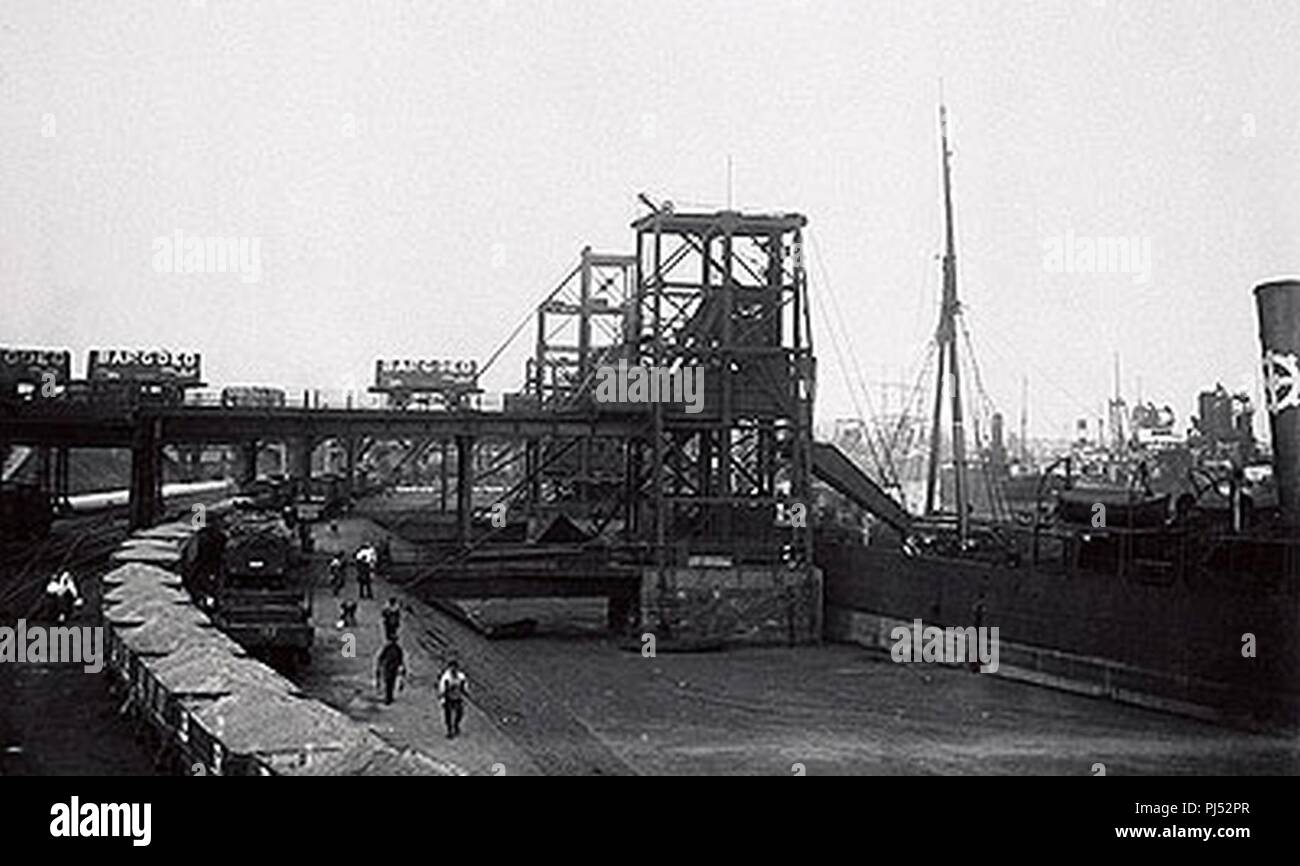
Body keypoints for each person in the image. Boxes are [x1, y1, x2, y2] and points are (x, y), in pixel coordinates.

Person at [437, 658, 468, 738]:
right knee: (448, 715)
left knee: (460, 713)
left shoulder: (461, 677)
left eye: (455, 668)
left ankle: (456, 725)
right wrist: (442, 698)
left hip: (457, 697)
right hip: (448, 698)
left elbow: (464, 687)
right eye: (452, 668)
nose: (454, 669)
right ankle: (449, 730)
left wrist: (464, 695)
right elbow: (442, 688)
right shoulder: (446, 678)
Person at [375, 638, 406, 705]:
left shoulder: (397, 649)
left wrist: (401, 666)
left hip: (393, 668)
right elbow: (381, 657)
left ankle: (389, 697)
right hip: (388, 668)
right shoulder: (390, 648)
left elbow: (401, 659)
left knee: (391, 682)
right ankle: (388, 697)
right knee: (388, 682)